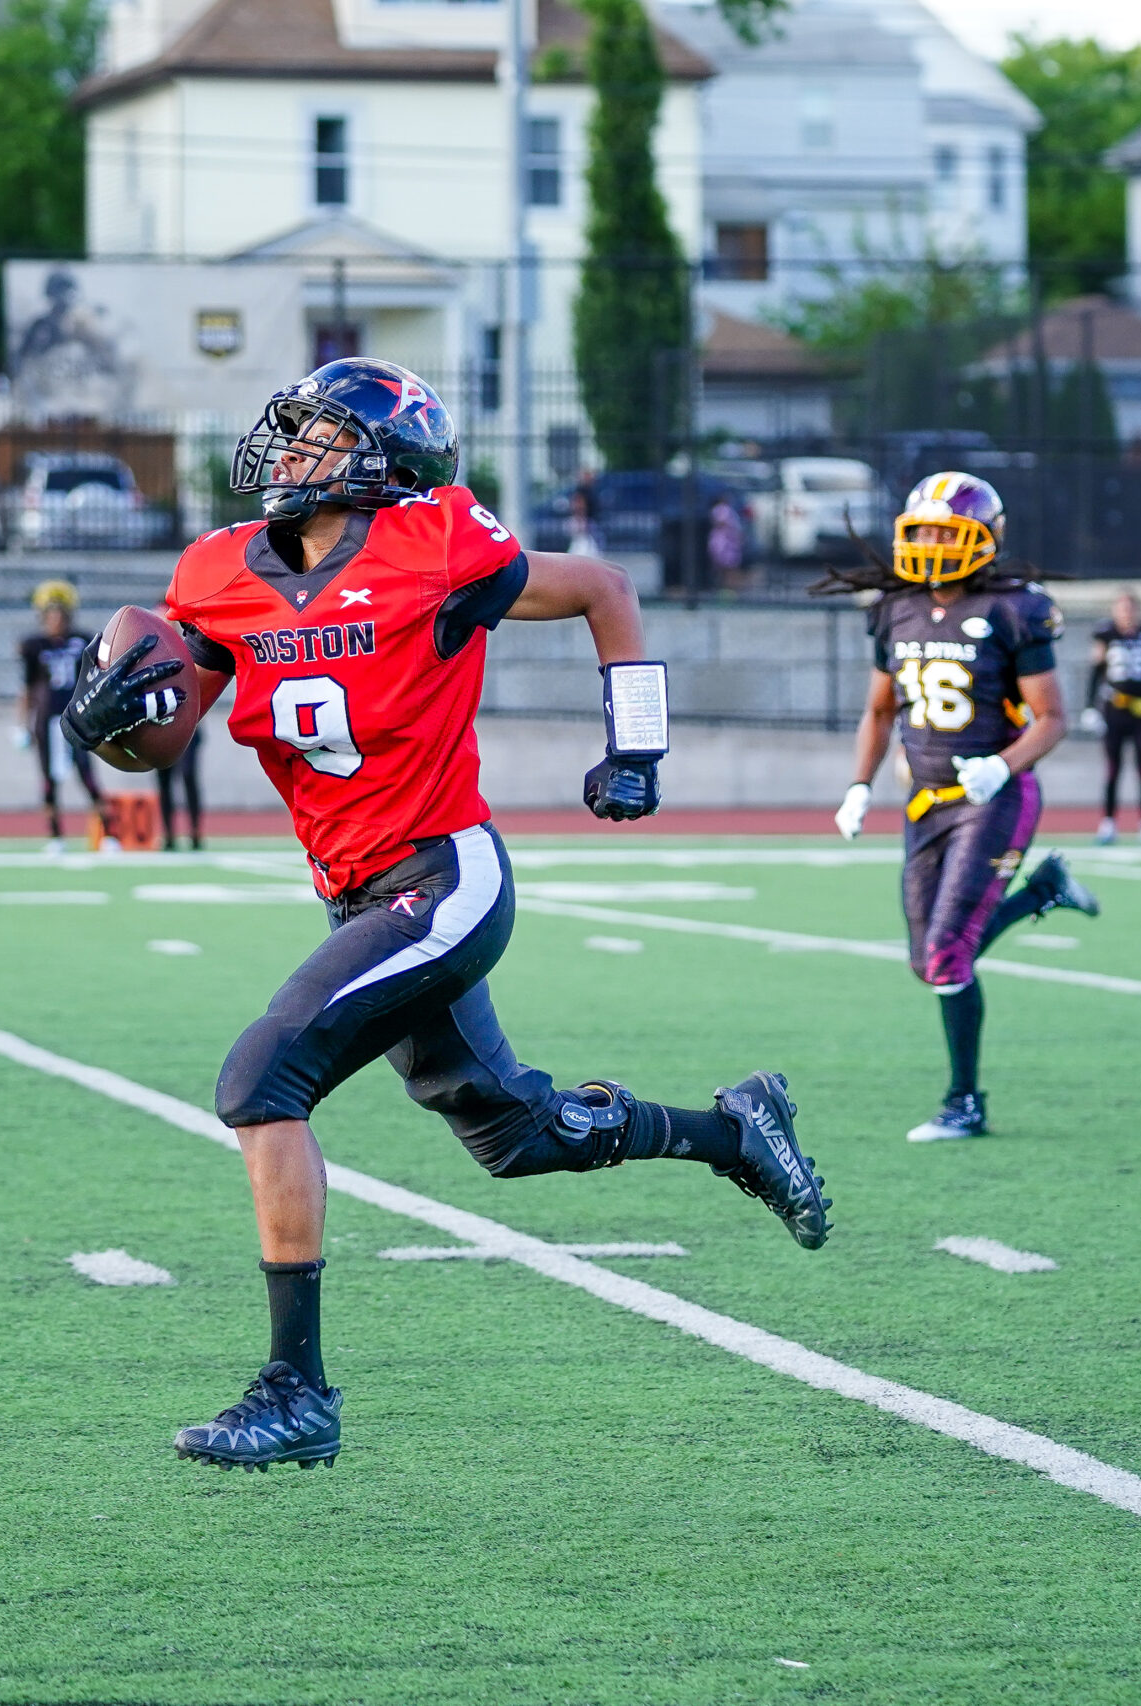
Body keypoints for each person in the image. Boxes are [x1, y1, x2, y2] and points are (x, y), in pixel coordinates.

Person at [62, 358, 832, 1471]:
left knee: (258, 1082)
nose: (290, 455)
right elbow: (172, 705)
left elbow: (604, 587)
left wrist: (636, 744)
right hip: (355, 888)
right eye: (294, 434)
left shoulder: (437, 543)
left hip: (440, 875)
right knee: (515, 1137)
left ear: (384, 460)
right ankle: (734, 1129)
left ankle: (297, 1389)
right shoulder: (218, 571)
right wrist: (117, 708)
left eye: (319, 438)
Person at [821, 471, 1100, 1143]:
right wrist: (858, 786)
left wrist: (1001, 765)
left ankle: (964, 1102)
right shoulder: (895, 605)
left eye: (950, 531)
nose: (935, 544)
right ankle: (1043, 894)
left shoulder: (1014, 608)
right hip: (924, 800)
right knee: (928, 960)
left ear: (985, 539)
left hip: (994, 799)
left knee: (948, 954)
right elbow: (880, 709)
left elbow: (1052, 718)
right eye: (924, 532)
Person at [17, 579, 105, 853]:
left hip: (77, 719)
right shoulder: (34, 645)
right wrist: (23, 724)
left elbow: (96, 680)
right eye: (51, 613)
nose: (56, 619)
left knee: (87, 776)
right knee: (49, 779)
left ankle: (109, 833)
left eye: (61, 613)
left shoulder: (83, 641)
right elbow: (28, 688)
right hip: (48, 718)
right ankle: (55, 837)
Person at [1089, 588, 1141, 845]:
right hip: (1115, 710)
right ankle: (1109, 823)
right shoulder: (1106, 635)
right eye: (1122, 608)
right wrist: (1091, 707)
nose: (1127, 614)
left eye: (1131, 608)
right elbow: (1096, 673)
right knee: (1113, 769)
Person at [158, 725, 206, 851]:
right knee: (164, 782)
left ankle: (195, 831)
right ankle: (168, 834)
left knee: (188, 775)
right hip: (161, 729)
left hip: (187, 727)